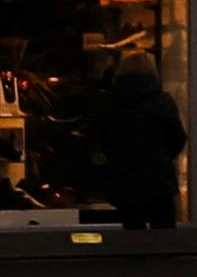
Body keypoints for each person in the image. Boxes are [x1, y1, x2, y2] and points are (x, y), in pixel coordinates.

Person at [76, 40, 189, 229]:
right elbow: (177, 139)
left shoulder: (109, 103)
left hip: (124, 181)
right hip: (158, 181)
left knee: (132, 235)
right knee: (164, 236)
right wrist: (163, 156)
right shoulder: (162, 101)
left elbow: (99, 138)